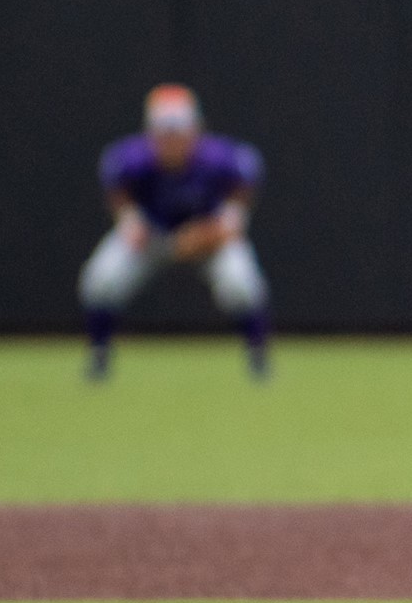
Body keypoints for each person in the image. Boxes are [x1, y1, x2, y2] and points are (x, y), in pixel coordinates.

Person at [79, 83, 271, 382]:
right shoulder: (133, 160)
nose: (171, 140)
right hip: (152, 234)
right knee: (101, 281)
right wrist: (129, 220)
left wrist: (224, 224)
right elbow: (114, 181)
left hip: (206, 236)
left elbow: (247, 179)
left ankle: (259, 357)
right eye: (164, 132)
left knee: (241, 285)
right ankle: (99, 357)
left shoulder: (218, 159)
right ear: (150, 133)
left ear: (195, 129)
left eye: (178, 131)